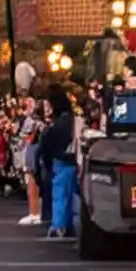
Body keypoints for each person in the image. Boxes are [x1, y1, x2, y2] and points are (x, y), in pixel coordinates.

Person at [41, 90, 78, 239]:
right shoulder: (72, 120)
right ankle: (68, 225)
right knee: (71, 194)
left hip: (60, 160)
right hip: (72, 159)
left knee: (60, 194)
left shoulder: (58, 124)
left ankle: (58, 225)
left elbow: (49, 143)